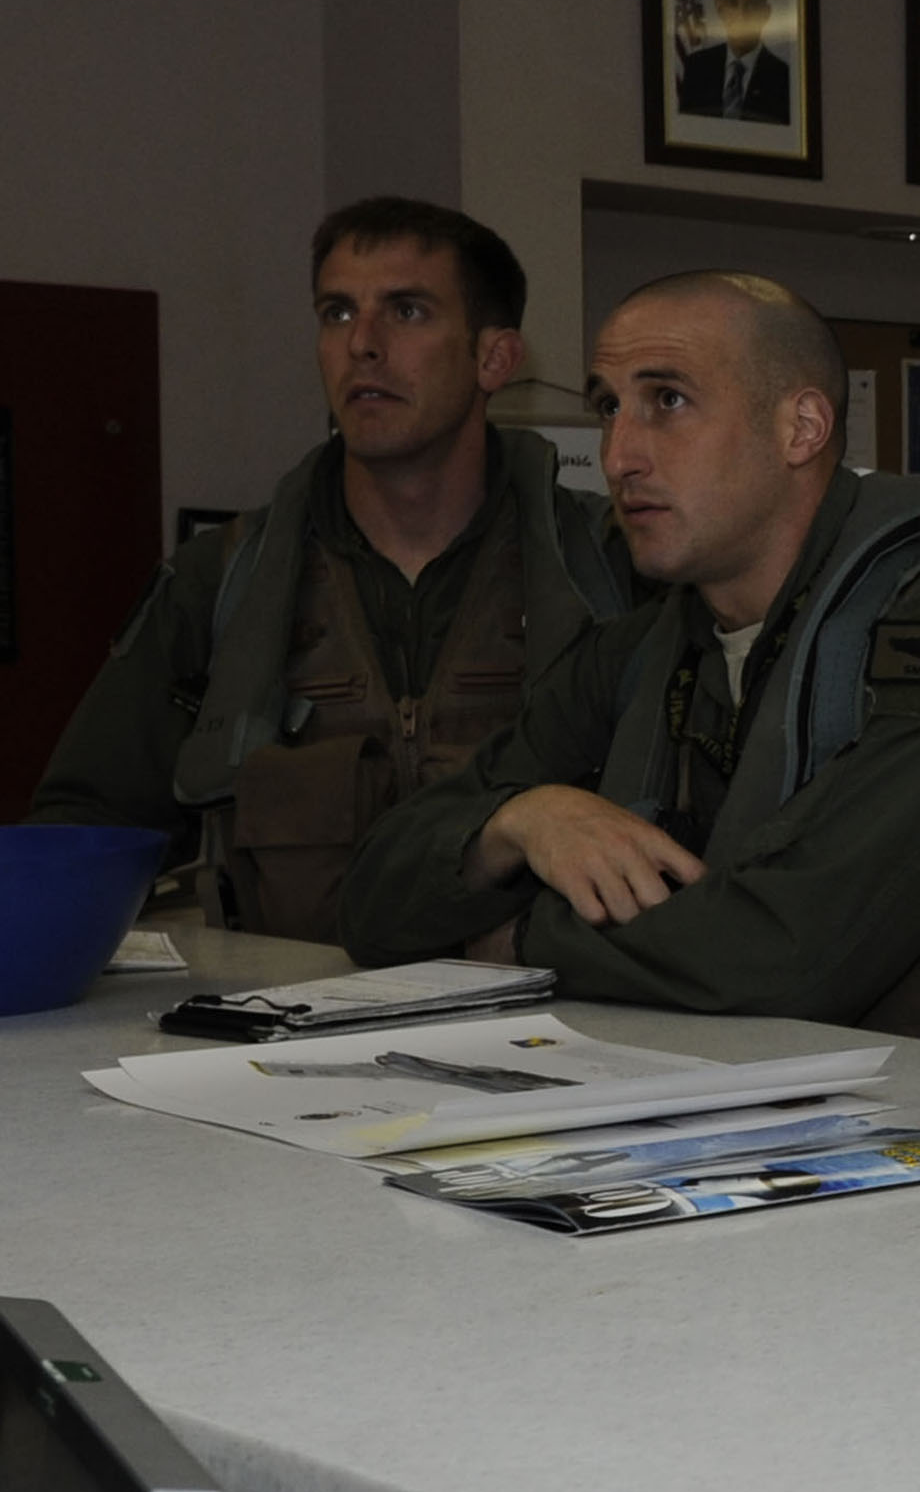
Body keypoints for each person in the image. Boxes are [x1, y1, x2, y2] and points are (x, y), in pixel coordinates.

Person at [341, 272, 920, 1036]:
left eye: (667, 401)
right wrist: (519, 821)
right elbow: (371, 899)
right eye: (609, 407)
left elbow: (793, 956)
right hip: (704, 1105)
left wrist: (516, 939)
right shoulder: (640, 651)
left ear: (801, 428)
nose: (618, 457)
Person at [30, 198, 626, 939]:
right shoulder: (217, 583)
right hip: (278, 1029)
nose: (363, 346)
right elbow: (80, 834)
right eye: (338, 314)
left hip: (555, 1028)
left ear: (494, 357)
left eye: (407, 312)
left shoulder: (612, 573)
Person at [675, 0, 790, 126]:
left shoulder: (783, 79)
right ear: (719, 7)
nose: (742, 15)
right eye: (732, 3)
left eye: (751, 5)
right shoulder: (697, 68)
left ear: (766, 13)